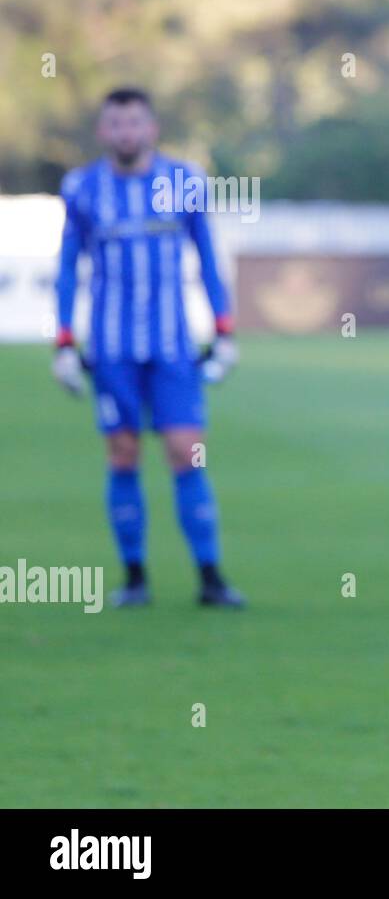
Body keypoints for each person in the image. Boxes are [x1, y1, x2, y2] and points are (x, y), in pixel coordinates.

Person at [52, 87, 244, 608]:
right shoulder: (83, 187)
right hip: (112, 348)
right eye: (116, 124)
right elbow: (69, 267)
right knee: (123, 451)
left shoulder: (183, 182)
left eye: (135, 123)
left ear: (152, 129)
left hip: (172, 347)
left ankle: (210, 576)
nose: (126, 133)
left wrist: (225, 331)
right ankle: (135, 577)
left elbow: (207, 258)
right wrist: (64, 341)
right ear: (102, 131)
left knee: (186, 451)